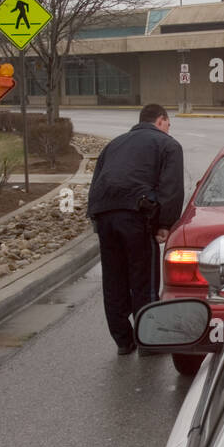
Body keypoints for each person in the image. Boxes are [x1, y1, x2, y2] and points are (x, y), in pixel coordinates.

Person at [87, 104, 184, 354]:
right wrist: (165, 223)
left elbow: (97, 180)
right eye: (168, 123)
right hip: (136, 214)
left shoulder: (114, 144)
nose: (169, 128)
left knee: (114, 279)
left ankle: (123, 341)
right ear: (161, 120)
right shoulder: (167, 145)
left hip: (105, 213)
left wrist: (96, 219)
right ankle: (149, 340)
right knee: (144, 280)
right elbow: (171, 188)